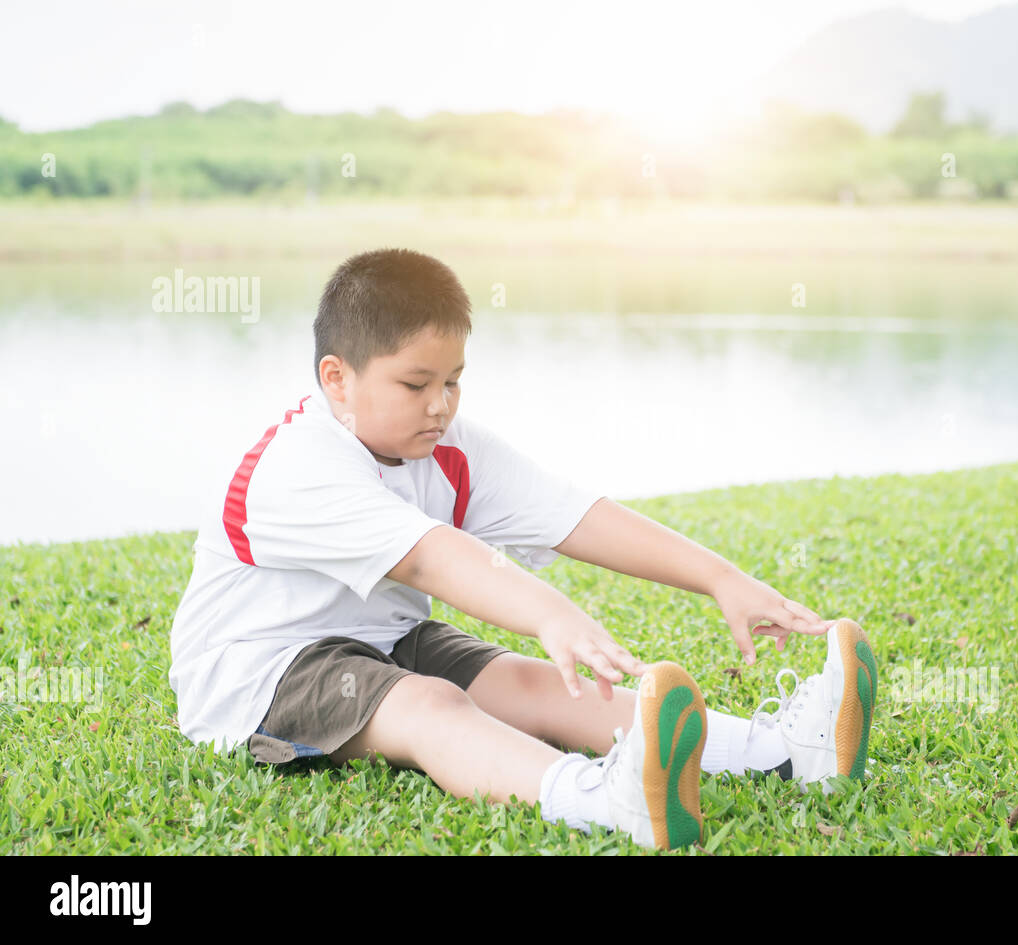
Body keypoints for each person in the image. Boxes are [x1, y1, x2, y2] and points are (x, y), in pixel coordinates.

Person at [168, 247, 878, 851]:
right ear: (337, 379)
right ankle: (603, 799)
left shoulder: (445, 447)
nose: (441, 404)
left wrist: (721, 579)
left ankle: (785, 753)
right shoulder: (295, 466)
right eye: (415, 384)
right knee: (430, 705)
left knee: (533, 682)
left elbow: (574, 515)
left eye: (453, 381)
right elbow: (429, 557)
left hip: (383, 637)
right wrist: (551, 612)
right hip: (264, 674)